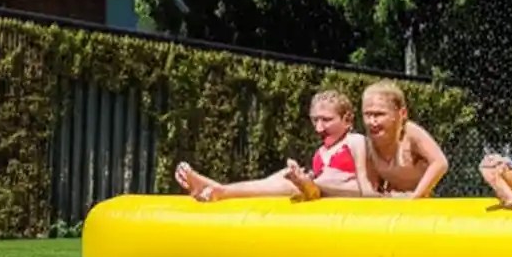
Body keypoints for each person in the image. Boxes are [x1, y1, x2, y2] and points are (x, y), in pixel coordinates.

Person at [175, 89, 372, 202]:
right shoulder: (320, 153)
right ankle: (220, 189)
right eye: (314, 120)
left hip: (342, 192)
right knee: (286, 174)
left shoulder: (355, 141)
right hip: (316, 192)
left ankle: (221, 191)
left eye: (326, 120)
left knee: (293, 182)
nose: (319, 128)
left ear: (347, 120)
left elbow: (366, 184)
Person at [286, 80, 449, 200]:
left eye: (379, 114)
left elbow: (440, 163)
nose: (372, 122)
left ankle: (312, 185)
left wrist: (416, 196)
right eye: (367, 114)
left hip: (417, 200)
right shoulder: (370, 142)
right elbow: (365, 185)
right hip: (389, 199)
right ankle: (309, 185)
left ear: (402, 114)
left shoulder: (411, 133)